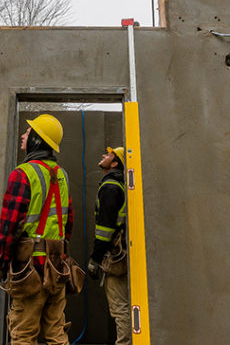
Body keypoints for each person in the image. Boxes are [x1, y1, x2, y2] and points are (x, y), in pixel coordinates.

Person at [0, 114, 74, 345]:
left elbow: (9, 227)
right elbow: (68, 224)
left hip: (29, 272)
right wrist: (60, 256)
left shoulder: (23, 174)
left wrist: (1, 264)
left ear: (38, 140)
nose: (23, 135)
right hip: (57, 269)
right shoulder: (62, 175)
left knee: (23, 336)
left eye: (28, 133)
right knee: (56, 334)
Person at [86, 146, 131, 345]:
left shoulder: (110, 187)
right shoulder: (119, 185)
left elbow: (104, 230)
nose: (103, 155)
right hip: (122, 253)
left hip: (115, 257)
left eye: (109, 155)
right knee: (124, 306)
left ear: (114, 163)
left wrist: (95, 259)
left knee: (120, 308)